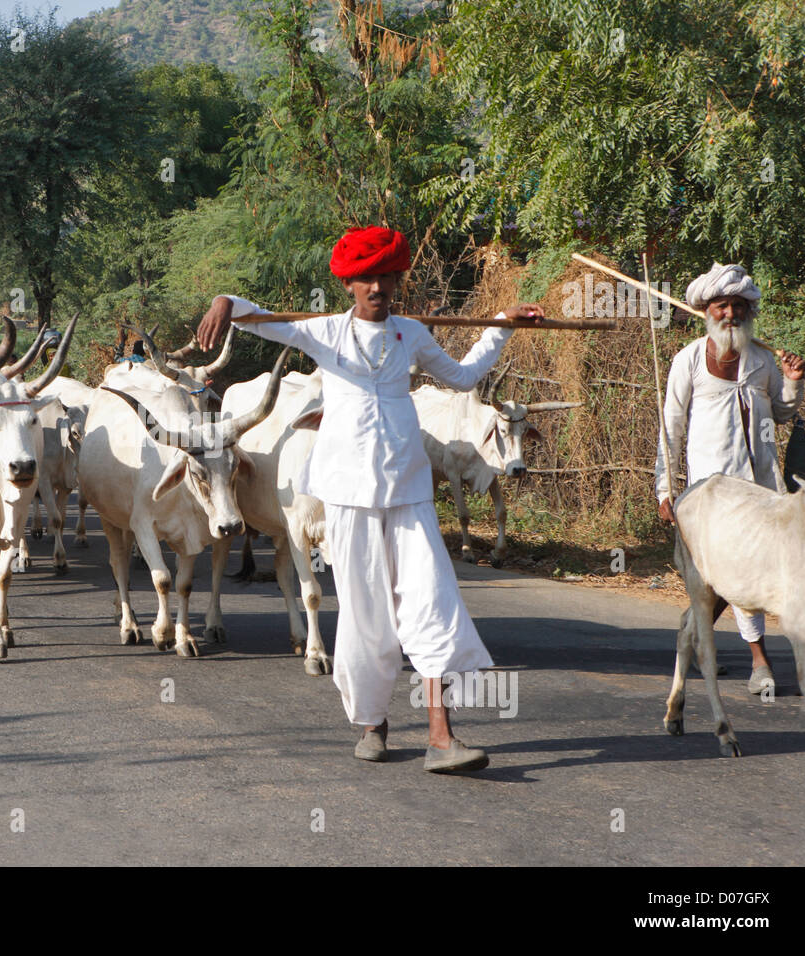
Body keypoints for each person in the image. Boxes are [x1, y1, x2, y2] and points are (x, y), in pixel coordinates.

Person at [195, 225, 544, 771]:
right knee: (365, 614)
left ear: (397, 280)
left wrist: (502, 327)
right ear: (349, 285)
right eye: (366, 278)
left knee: (432, 603)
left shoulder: (413, 335)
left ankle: (441, 736)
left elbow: (464, 376)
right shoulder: (325, 333)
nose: (377, 286)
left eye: (386, 275)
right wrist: (225, 303)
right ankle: (372, 723)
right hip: (349, 495)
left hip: (409, 491)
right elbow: (263, 320)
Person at [655, 263, 805, 695]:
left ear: (748, 311)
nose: (731, 314)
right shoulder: (688, 361)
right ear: (708, 311)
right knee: (717, 578)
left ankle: (745, 658)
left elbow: (779, 414)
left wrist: (792, 383)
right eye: (723, 306)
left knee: (756, 574)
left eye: (739, 306)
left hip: (760, 489)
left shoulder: (761, 361)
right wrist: (665, 489)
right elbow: (671, 429)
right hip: (709, 498)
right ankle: (753, 660)